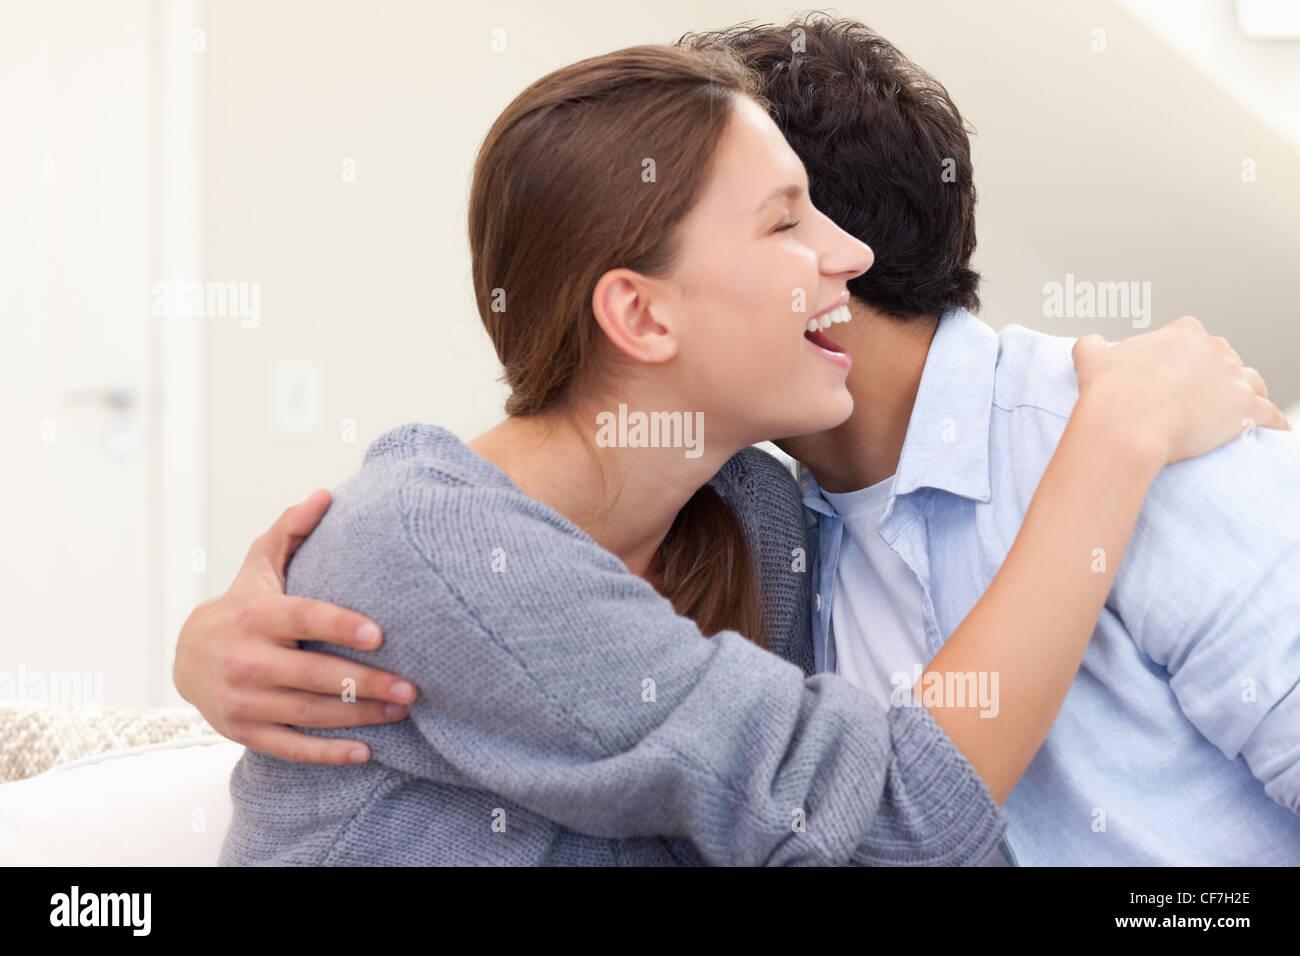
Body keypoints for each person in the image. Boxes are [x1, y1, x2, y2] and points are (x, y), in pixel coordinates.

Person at [178, 43, 1285, 866]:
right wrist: (1111, 447)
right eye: (785, 222)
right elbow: (892, 807)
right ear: (643, 318)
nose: (848, 257)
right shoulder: (432, 541)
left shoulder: (759, 517)